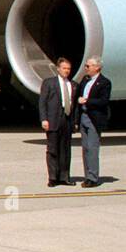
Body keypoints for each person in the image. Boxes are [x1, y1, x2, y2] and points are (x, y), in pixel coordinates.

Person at [38, 57, 76, 186]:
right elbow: (42, 102)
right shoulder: (49, 83)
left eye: (68, 69)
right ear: (58, 69)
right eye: (64, 68)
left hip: (67, 120)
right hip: (53, 120)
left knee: (66, 150)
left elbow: (74, 105)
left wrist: (75, 121)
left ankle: (65, 177)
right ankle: (53, 177)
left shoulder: (72, 84)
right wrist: (44, 119)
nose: (66, 71)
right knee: (53, 149)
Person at [75, 57, 111, 187]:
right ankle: (87, 175)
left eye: (88, 66)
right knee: (85, 148)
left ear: (97, 67)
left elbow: (103, 101)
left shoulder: (104, 82)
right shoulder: (85, 81)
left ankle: (93, 177)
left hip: (94, 118)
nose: (86, 68)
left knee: (92, 148)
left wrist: (87, 101)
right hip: (83, 116)